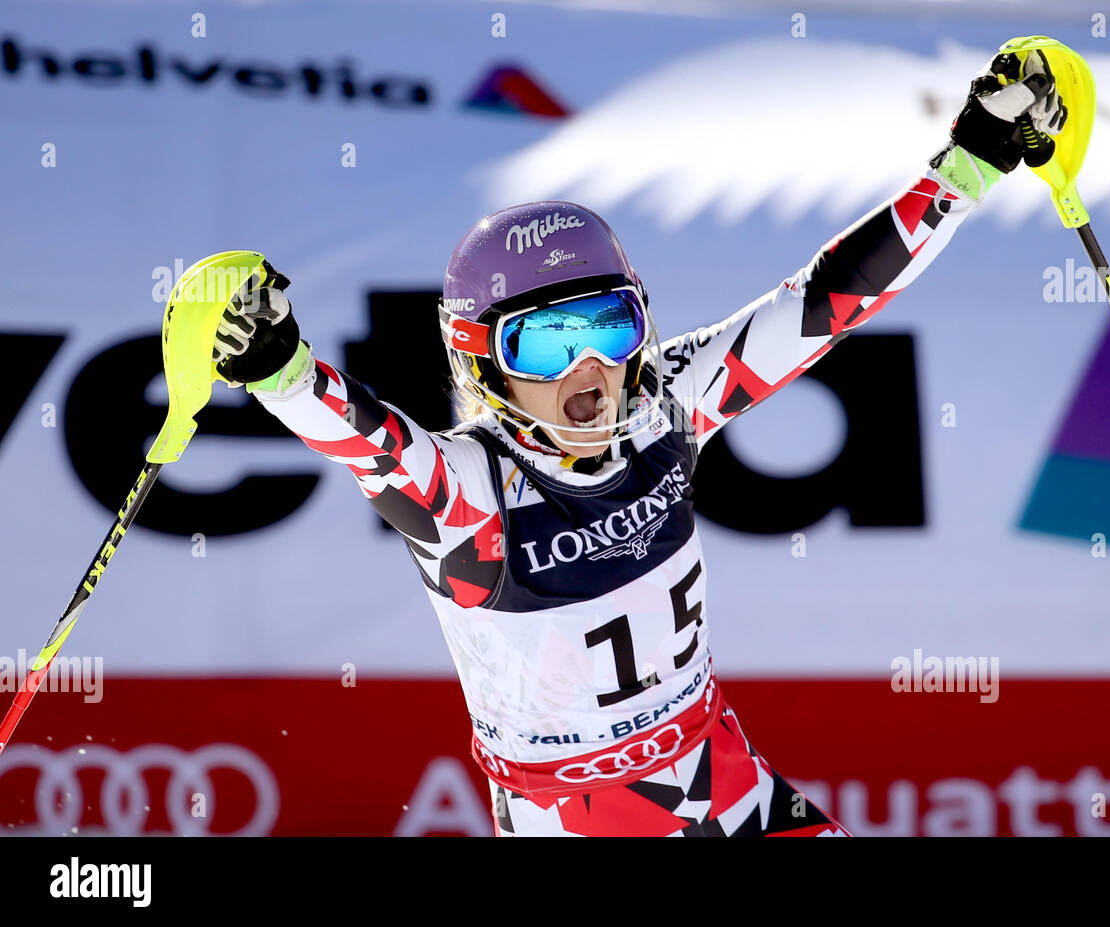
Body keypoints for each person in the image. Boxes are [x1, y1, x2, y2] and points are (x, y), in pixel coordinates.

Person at [211, 50, 1064, 836]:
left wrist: (969, 164)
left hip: (732, 794)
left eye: (611, 327)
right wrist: (282, 370)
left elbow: (824, 303)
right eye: (544, 344)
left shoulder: (664, 407)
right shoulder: (471, 493)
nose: (592, 367)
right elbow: (371, 445)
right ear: (485, 366)